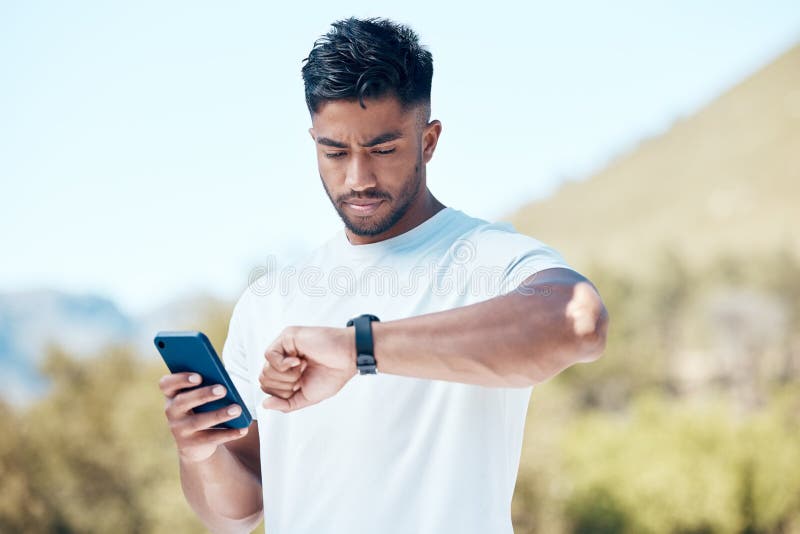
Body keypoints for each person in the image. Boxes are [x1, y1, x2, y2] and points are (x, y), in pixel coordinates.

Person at [159, 16, 609, 534]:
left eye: (382, 149)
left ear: (429, 140)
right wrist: (199, 451)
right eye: (334, 152)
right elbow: (236, 513)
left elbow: (579, 323)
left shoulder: (490, 258)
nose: (357, 177)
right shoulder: (270, 300)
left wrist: (359, 349)